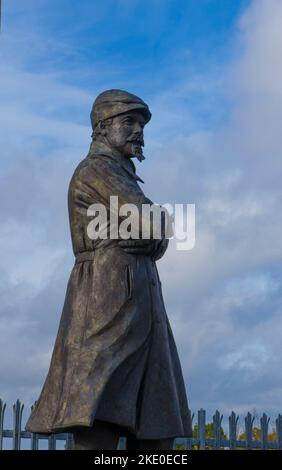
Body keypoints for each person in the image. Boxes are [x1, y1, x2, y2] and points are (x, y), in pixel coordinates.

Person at [25, 89, 193, 450]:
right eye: (129, 122)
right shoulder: (97, 169)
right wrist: (152, 231)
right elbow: (152, 221)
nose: (138, 131)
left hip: (140, 309)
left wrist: (151, 235)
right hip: (108, 308)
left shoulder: (121, 174)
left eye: (142, 124)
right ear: (102, 127)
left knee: (154, 430)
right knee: (100, 421)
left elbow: (159, 230)